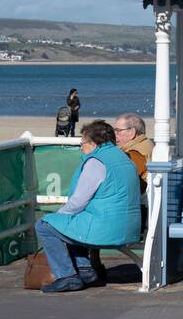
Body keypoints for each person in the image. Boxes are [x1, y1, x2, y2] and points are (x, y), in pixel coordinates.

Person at [34, 120, 142, 293]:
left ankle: (66, 276)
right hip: (129, 225)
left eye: (82, 144)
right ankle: (85, 271)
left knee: (46, 225)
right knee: (73, 223)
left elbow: (78, 202)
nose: (81, 148)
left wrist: (59, 217)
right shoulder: (122, 156)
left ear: (93, 144)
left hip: (107, 227)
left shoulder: (97, 163)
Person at [85, 112, 155, 280]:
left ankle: (89, 269)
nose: (114, 135)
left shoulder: (135, 153)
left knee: (86, 215)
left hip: (134, 214)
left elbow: (126, 184)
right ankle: (91, 266)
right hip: (140, 209)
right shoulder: (145, 146)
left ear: (131, 132)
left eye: (117, 130)